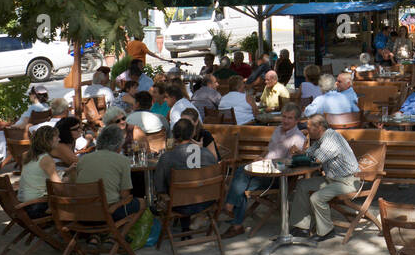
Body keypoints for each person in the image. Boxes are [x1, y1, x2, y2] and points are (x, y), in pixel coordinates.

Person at [221, 102, 306, 237]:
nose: (285, 120)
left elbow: (290, 164)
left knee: (241, 180)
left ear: (297, 120)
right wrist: (261, 157)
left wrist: (269, 163)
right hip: (263, 170)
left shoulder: (298, 138)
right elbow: (269, 148)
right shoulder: (277, 130)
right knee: (241, 179)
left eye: (290, 118)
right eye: (284, 117)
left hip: (277, 177)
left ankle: (230, 210)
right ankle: (236, 223)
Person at [289, 114, 361, 241]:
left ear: (320, 127)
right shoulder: (322, 138)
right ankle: (301, 227)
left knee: (317, 197)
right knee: (302, 185)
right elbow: (310, 152)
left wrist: (301, 158)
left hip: (347, 182)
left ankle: (326, 231)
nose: (307, 130)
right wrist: (300, 153)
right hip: (332, 179)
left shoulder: (331, 139)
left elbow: (317, 159)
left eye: (309, 127)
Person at [153, 118, 220, 231]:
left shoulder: (167, 157)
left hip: (179, 205)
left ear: (174, 135)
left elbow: (159, 187)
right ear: (193, 133)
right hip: (206, 201)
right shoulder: (207, 154)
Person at [76, 125, 143, 221]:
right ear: (119, 144)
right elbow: (125, 196)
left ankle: (100, 235)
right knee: (142, 203)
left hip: (82, 212)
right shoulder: (123, 160)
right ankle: (116, 234)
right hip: (107, 212)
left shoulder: (83, 159)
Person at [17, 125, 64, 219]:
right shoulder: (46, 159)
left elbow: (35, 175)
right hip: (36, 207)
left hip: (24, 203)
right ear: (48, 140)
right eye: (57, 137)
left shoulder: (27, 155)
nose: (59, 139)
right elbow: (59, 187)